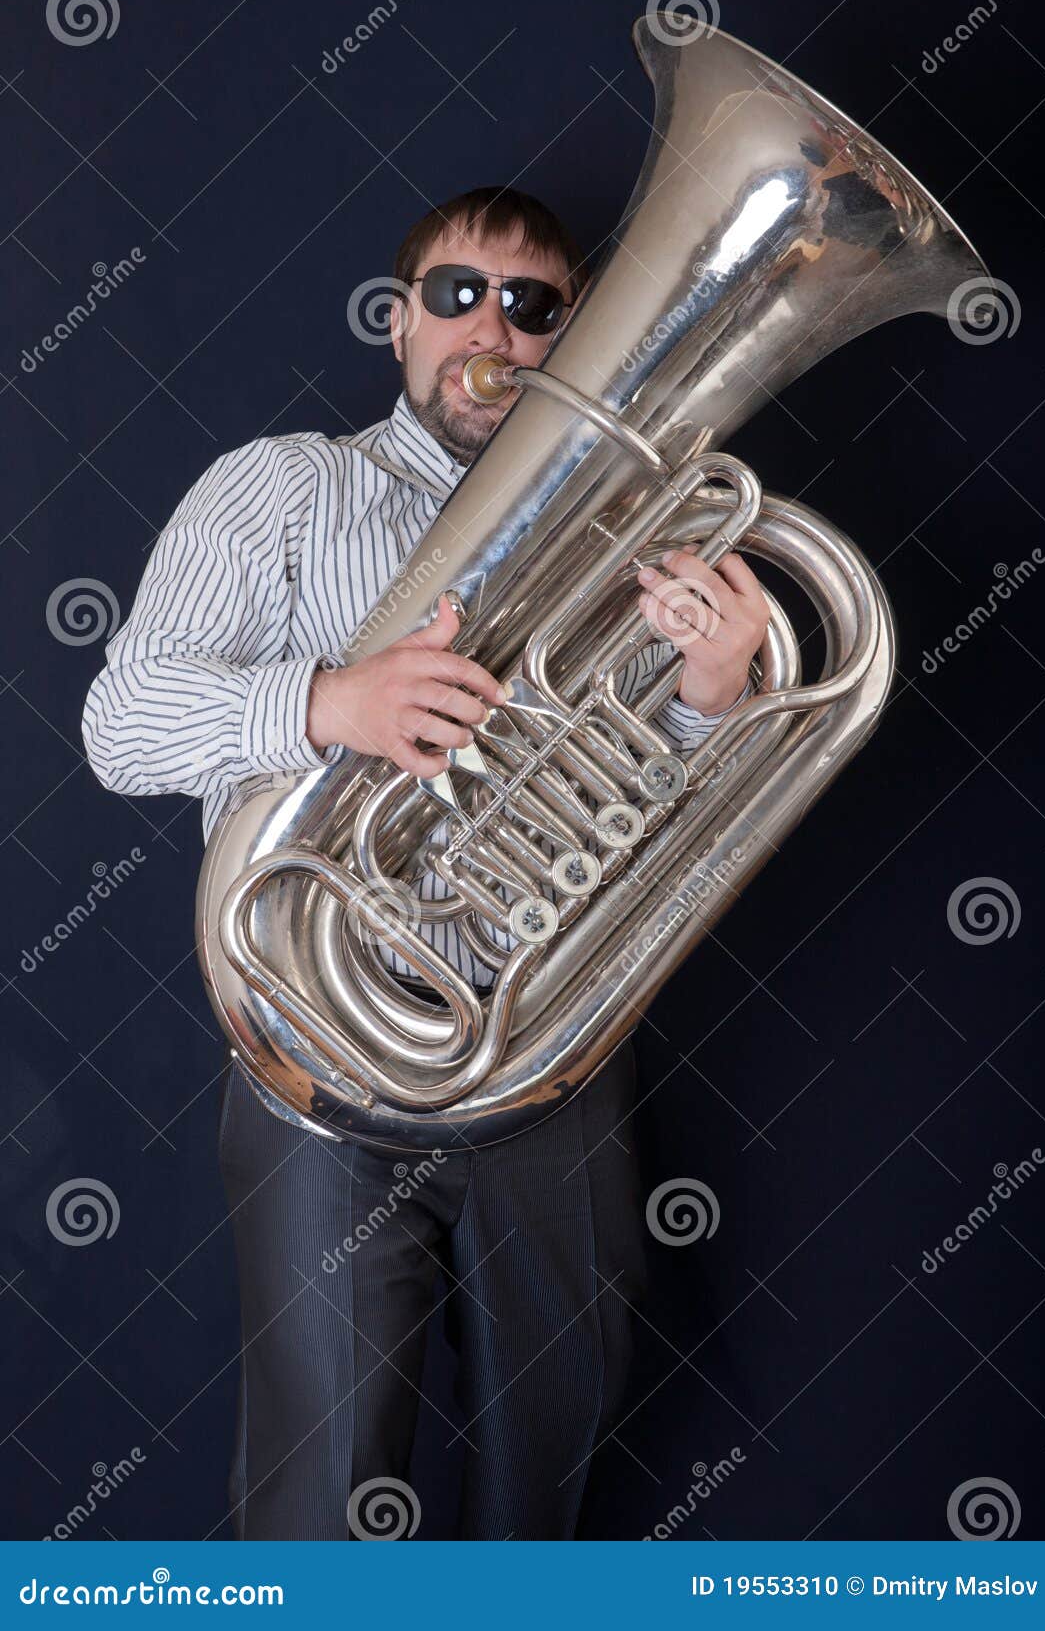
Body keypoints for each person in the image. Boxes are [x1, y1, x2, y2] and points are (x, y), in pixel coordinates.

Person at [81, 186, 770, 1540]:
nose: (490, 332)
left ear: (568, 339)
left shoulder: (628, 540)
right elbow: (120, 720)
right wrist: (329, 705)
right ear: (398, 323)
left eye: (532, 308)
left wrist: (712, 685)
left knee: (552, 1473)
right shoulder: (285, 485)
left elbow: (649, 819)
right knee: (324, 1480)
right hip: (321, 1066)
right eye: (457, 295)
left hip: (547, 1057)